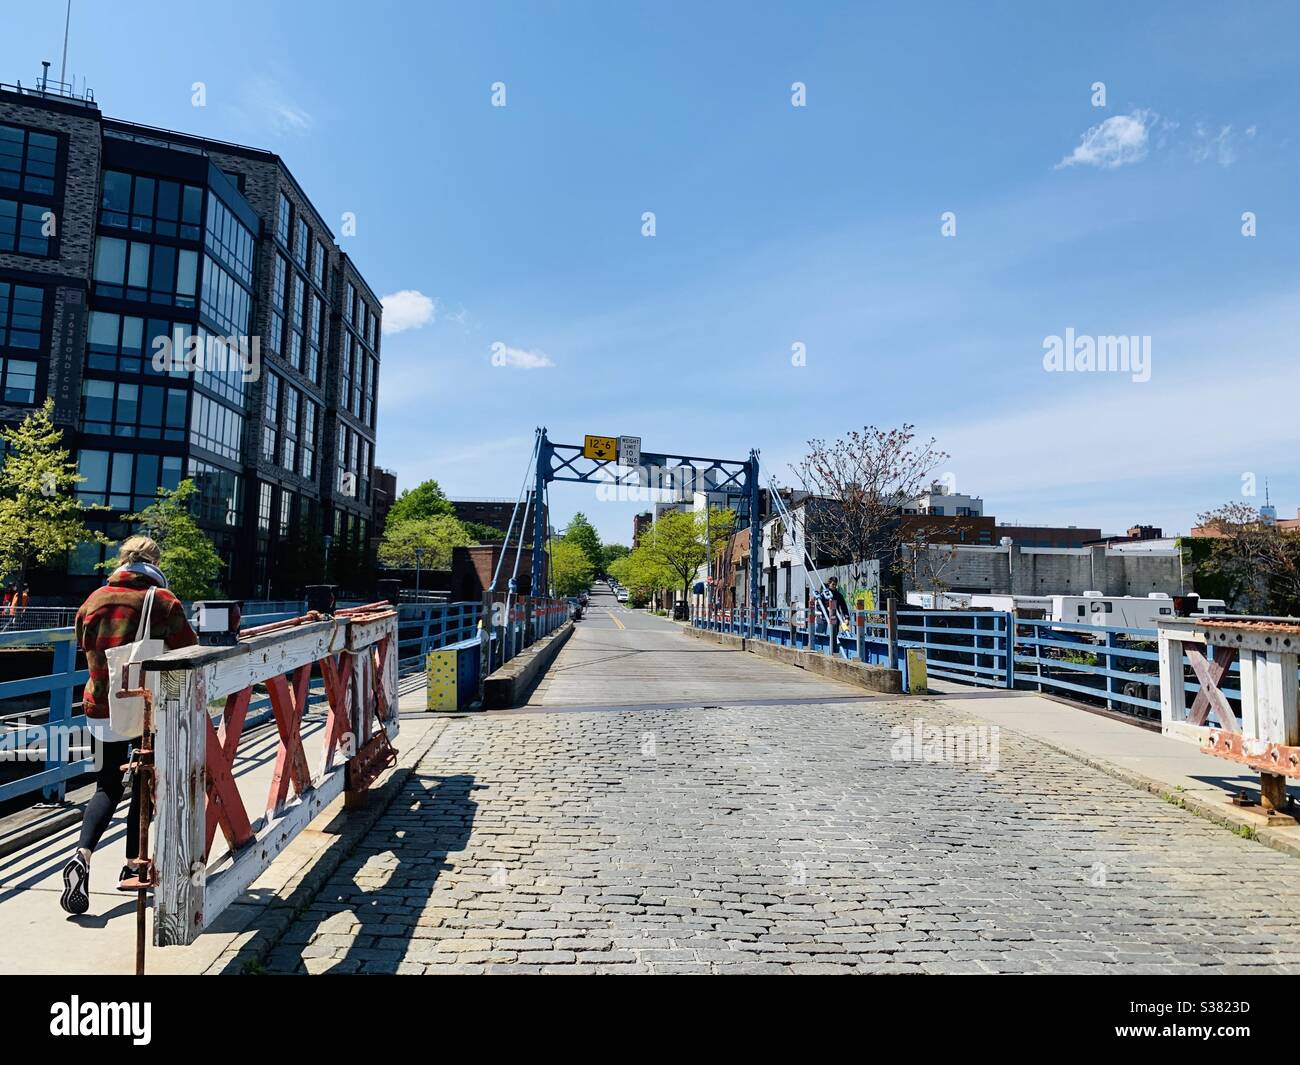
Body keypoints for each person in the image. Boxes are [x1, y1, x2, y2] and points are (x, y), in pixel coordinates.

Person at [60, 536, 197, 915]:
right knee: (143, 781)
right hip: (144, 707)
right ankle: (132, 864)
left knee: (106, 784)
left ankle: (82, 856)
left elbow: (82, 644)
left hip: (100, 706)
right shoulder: (163, 602)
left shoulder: (92, 601)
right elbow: (189, 650)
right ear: (155, 563)